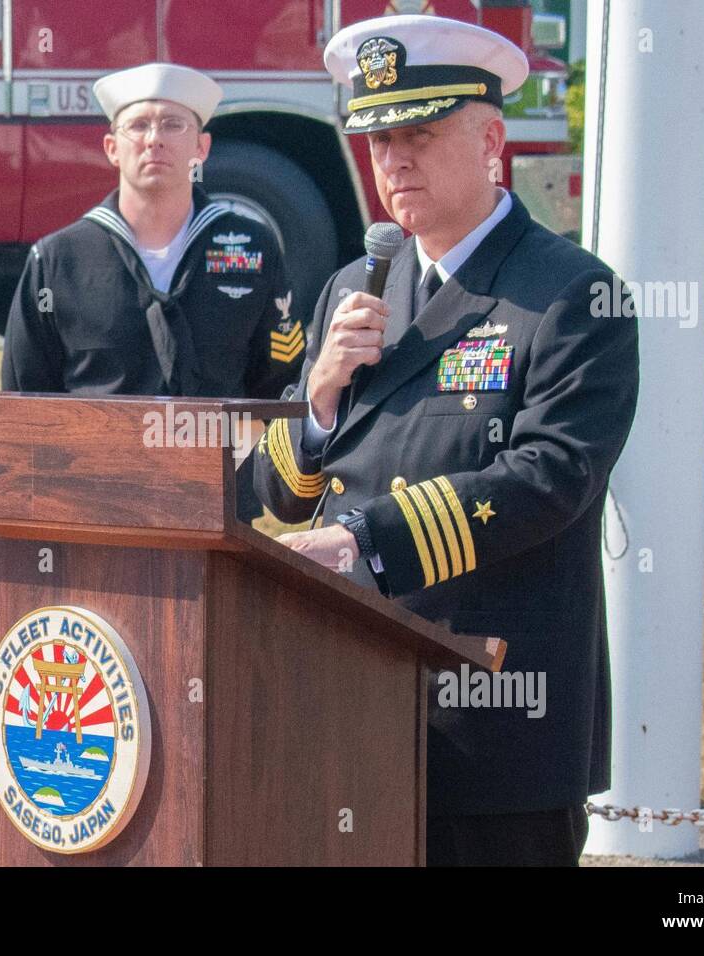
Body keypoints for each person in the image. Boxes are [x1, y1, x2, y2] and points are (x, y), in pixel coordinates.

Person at [253, 15, 640, 865]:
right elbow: (276, 495)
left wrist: (363, 543)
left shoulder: (570, 294)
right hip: (346, 713)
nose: (393, 161)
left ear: (491, 138)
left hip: (495, 728)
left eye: (419, 134)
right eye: (378, 139)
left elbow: (550, 477)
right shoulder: (353, 286)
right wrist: (316, 404)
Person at [1, 62, 302, 521]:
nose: (154, 138)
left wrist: (221, 468)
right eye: (138, 125)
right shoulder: (58, 259)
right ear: (111, 148)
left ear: (201, 147)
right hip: (92, 507)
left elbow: (280, 384)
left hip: (220, 509)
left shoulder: (253, 247)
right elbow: (26, 399)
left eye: (173, 124)